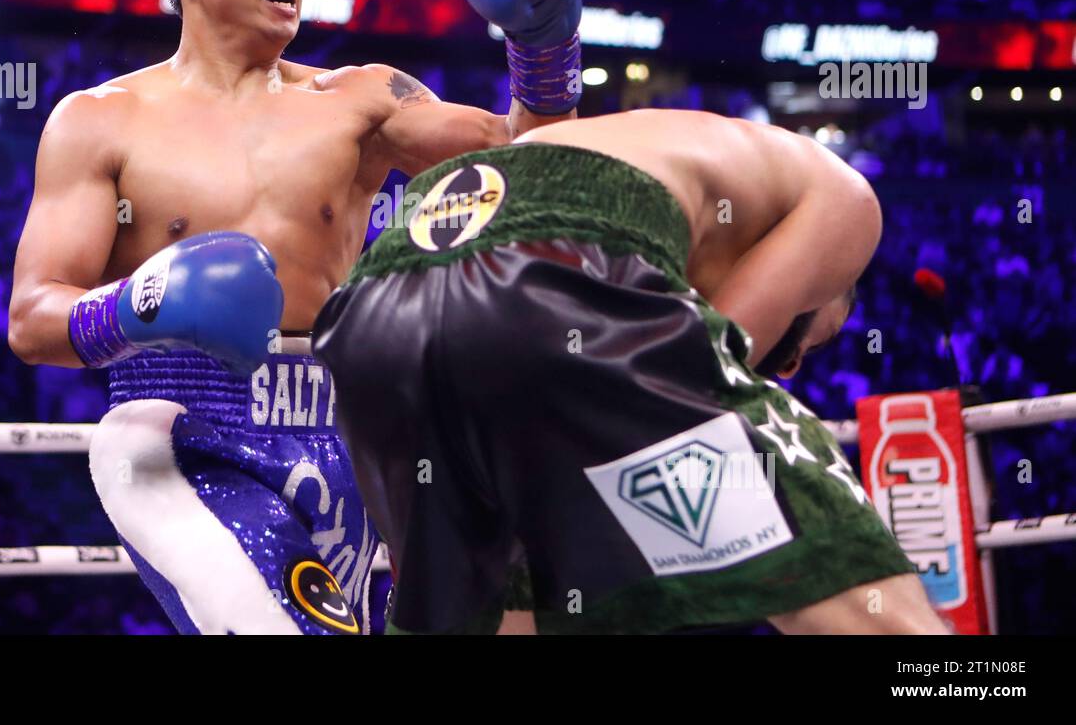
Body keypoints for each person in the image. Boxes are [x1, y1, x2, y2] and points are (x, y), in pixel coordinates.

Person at [8, 0, 580, 633]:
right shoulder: (101, 120)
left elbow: (535, 171)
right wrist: (146, 303)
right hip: (181, 432)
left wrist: (543, 47)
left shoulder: (363, 99)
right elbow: (32, 318)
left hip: (349, 428)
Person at [313, 108, 948, 634]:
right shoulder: (847, 200)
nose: (786, 370)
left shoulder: (682, 153)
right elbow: (716, 349)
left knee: (501, 601)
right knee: (851, 578)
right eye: (801, 346)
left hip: (377, 303)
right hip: (552, 258)